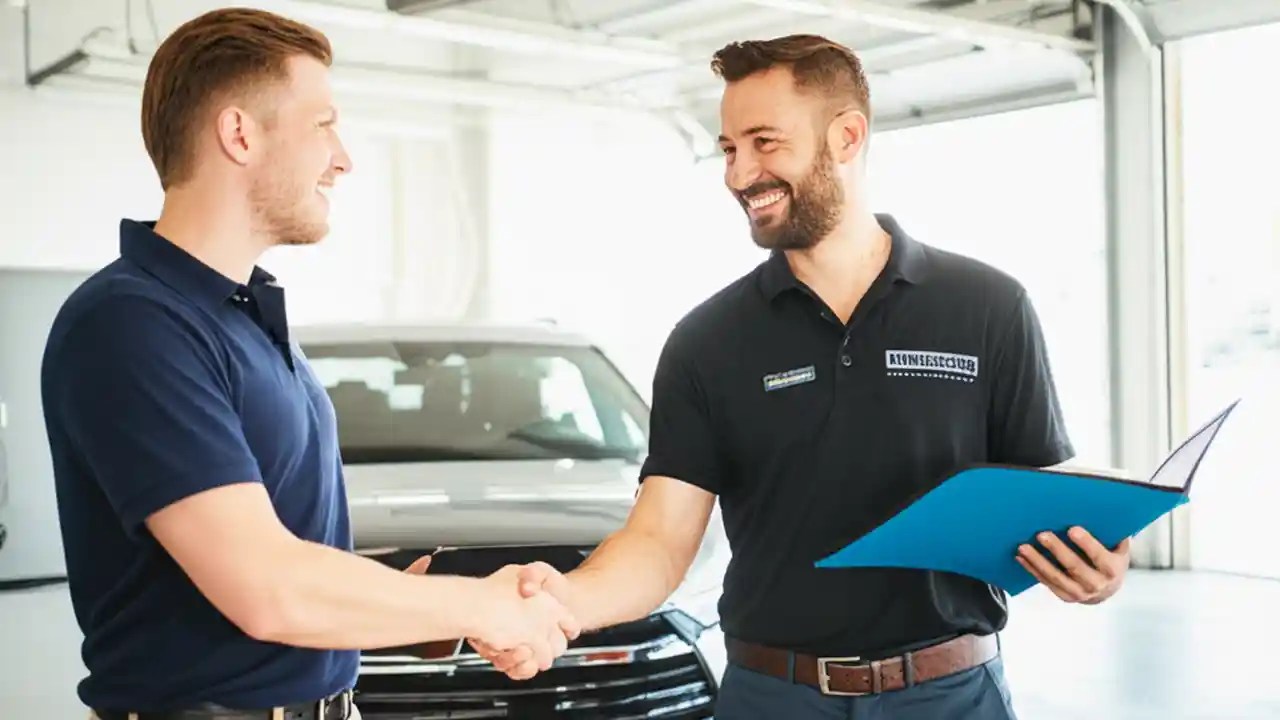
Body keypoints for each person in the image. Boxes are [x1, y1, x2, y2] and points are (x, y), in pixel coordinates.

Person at [470, 34, 1132, 718]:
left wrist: (1094, 565)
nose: (738, 174)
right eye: (729, 149)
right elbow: (660, 539)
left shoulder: (988, 307)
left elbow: (1042, 503)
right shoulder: (708, 342)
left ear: (846, 137)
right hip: (775, 696)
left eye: (764, 142)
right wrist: (567, 601)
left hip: (951, 694)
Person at [40, 8, 577, 720]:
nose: (344, 157)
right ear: (239, 134)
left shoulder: (245, 319)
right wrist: (480, 605)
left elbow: (277, 554)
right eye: (324, 124)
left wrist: (420, 594)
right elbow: (269, 589)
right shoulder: (131, 322)